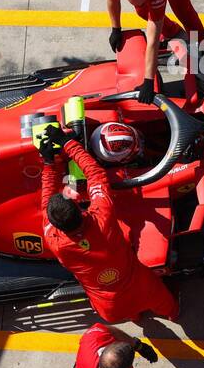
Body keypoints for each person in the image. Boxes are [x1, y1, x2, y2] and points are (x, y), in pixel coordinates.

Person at [39, 125, 180, 323]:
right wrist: (66, 142)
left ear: (56, 225)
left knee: (130, 314)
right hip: (141, 285)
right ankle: (173, 314)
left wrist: (48, 163)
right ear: (80, 209)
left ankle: (135, 317)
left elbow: (46, 202)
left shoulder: (52, 239)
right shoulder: (102, 215)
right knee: (168, 306)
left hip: (109, 306)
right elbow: (95, 174)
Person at [105, 0, 204, 104]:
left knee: (183, 10)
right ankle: (174, 33)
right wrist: (116, 28)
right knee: (143, 11)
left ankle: (201, 46)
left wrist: (148, 81)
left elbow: (152, 40)